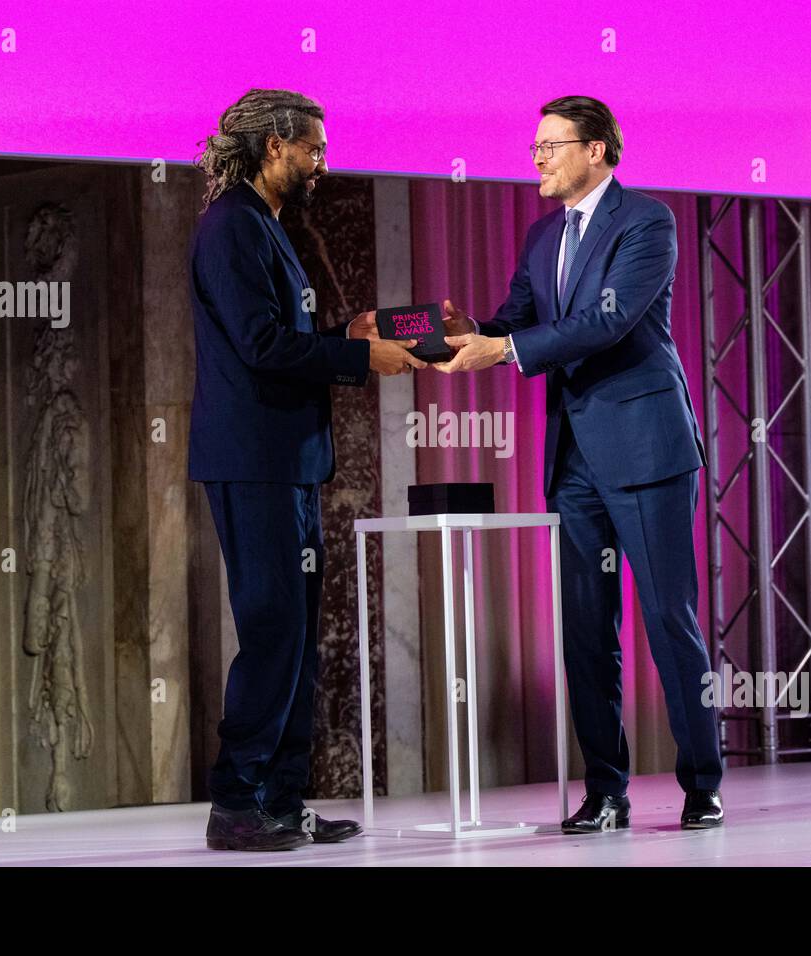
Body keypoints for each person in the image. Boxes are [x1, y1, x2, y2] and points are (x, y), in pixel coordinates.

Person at [437, 95, 724, 831]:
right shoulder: (542, 238)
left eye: (551, 145)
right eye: (534, 145)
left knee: (668, 618)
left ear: (595, 150)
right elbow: (518, 324)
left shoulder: (647, 222)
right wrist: (468, 334)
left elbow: (606, 319)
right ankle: (606, 791)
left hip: (648, 451)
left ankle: (702, 783)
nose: (536, 157)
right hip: (575, 461)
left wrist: (506, 348)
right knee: (585, 630)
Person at [189, 88, 425, 851]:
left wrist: (341, 333)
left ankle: (283, 802)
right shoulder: (231, 226)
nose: (324, 162)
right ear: (274, 147)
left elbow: (282, 338)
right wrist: (359, 356)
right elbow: (260, 347)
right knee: (271, 631)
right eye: (314, 149)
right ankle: (237, 805)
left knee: (293, 635)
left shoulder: (268, 228)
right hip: (255, 463)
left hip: (288, 463)